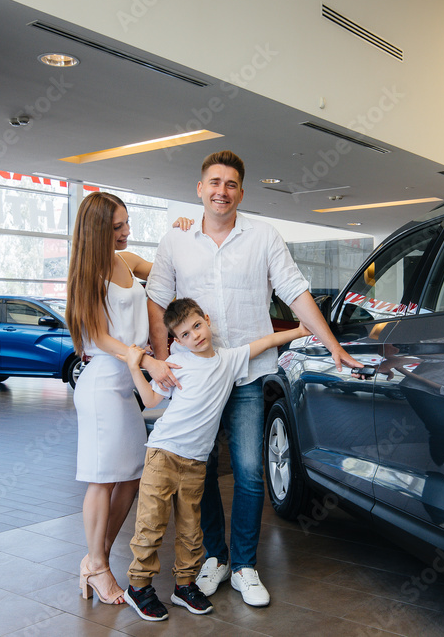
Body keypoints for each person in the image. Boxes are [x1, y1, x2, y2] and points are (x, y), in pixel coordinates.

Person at [144, 150, 362, 607]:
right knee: (197, 471)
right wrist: (162, 362)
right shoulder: (176, 241)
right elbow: (158, 301)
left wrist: (333, 346)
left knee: (247, 472)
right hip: (195, 381)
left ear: (241, 192)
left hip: (245, 375)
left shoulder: (263, 235)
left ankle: (244, 565)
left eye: (230, 184)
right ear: (200, 189)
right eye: (214, 182)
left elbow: (295, 291)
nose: (222, 190)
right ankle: (215, 557)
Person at [119, 298, 310, 621]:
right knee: (151, 525)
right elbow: (151, 399)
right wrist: (133, 367)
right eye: (185, 334)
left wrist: (301, 329)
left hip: (194, 462)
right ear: (176, 341)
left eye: (197, 325)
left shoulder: (228, 359)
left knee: (192, 531)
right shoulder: (178, 364)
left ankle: (184, 585)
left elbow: (264, 342)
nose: (195, 335)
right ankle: (138, 587)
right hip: (163, 454)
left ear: (207, 320)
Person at [65, 191, 190, 605]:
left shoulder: (125, 260)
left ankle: (94, 558)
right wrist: (144, 360)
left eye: (126, 223)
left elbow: (169, 273)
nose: (126, 231)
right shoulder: (87, 274)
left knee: (131, 474)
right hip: (104, 381)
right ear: (98, 229)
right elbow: (99, 337)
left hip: (127, 380)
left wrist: (183, 237)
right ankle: (98, 566)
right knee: (102, 477)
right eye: (117, 226)